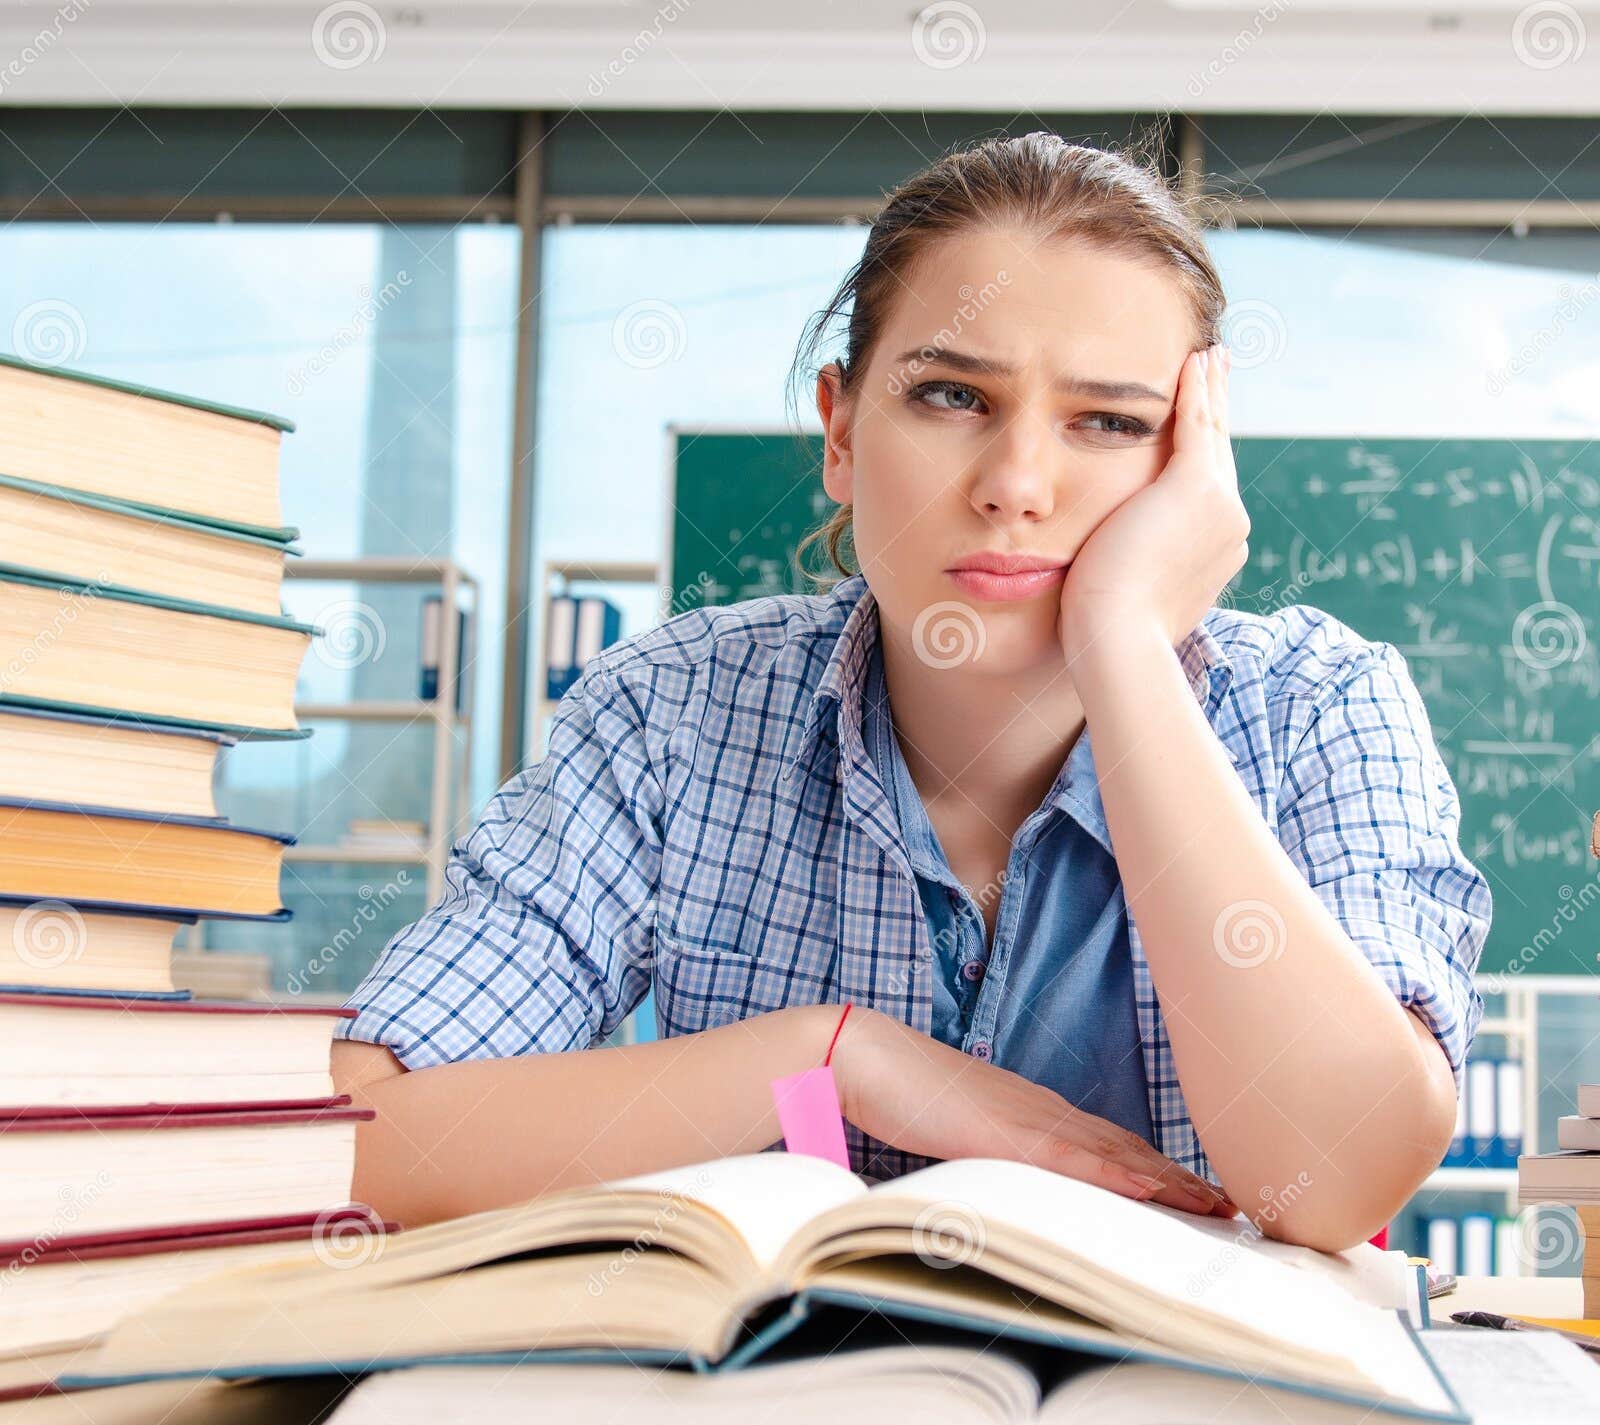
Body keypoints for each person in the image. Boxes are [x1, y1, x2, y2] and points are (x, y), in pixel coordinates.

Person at [332, 130, 1491, 1253]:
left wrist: (1125, 646)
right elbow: (356, 1140)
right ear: (839, 432)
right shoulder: (669, 712)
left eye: (1109, 422)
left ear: (1188, 468)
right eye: (950, 397)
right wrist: (834, 1059)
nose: (1016, 486)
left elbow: (1338, 1180)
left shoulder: (1320, 705)